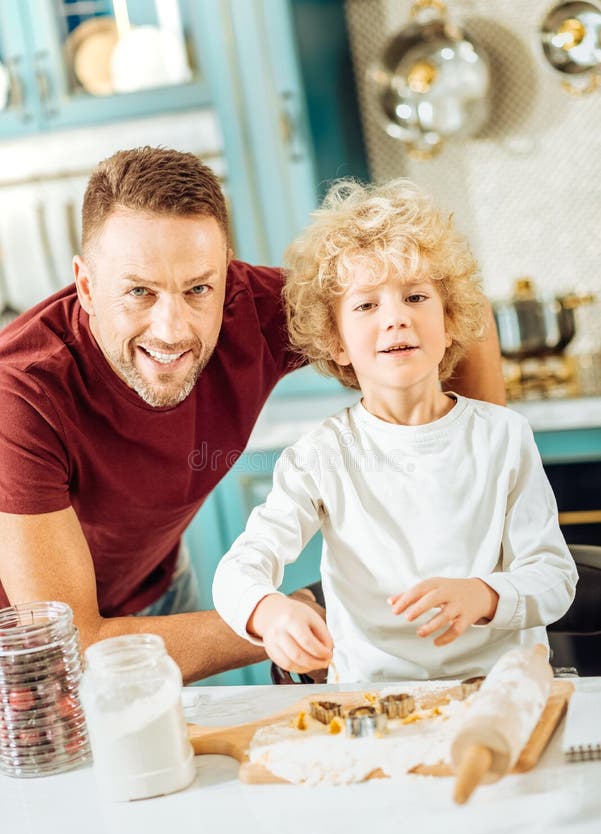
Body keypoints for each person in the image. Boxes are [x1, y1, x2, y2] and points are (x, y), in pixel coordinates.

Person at [0, 150, 505, 685]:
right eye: (138, 292)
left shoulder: (254, 308)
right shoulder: (22, 394)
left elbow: (460, 313)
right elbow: (73, 646)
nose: (172, 329)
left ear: (226, 274)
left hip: (163, 588)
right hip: (30, 645)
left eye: (199, 288)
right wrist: (297, 618)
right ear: (85, 285)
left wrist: (470, 489)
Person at [212, 178, 577, 682]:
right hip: (373, 699)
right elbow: (237, 571)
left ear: (450, 322)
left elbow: (555, 577)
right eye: (366, 305)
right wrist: (268, 613)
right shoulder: (320, 455)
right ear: (335, 341)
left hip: (501, 686)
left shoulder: (504, 437)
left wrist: (485, 595)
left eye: (415, 297)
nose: (395, 319)